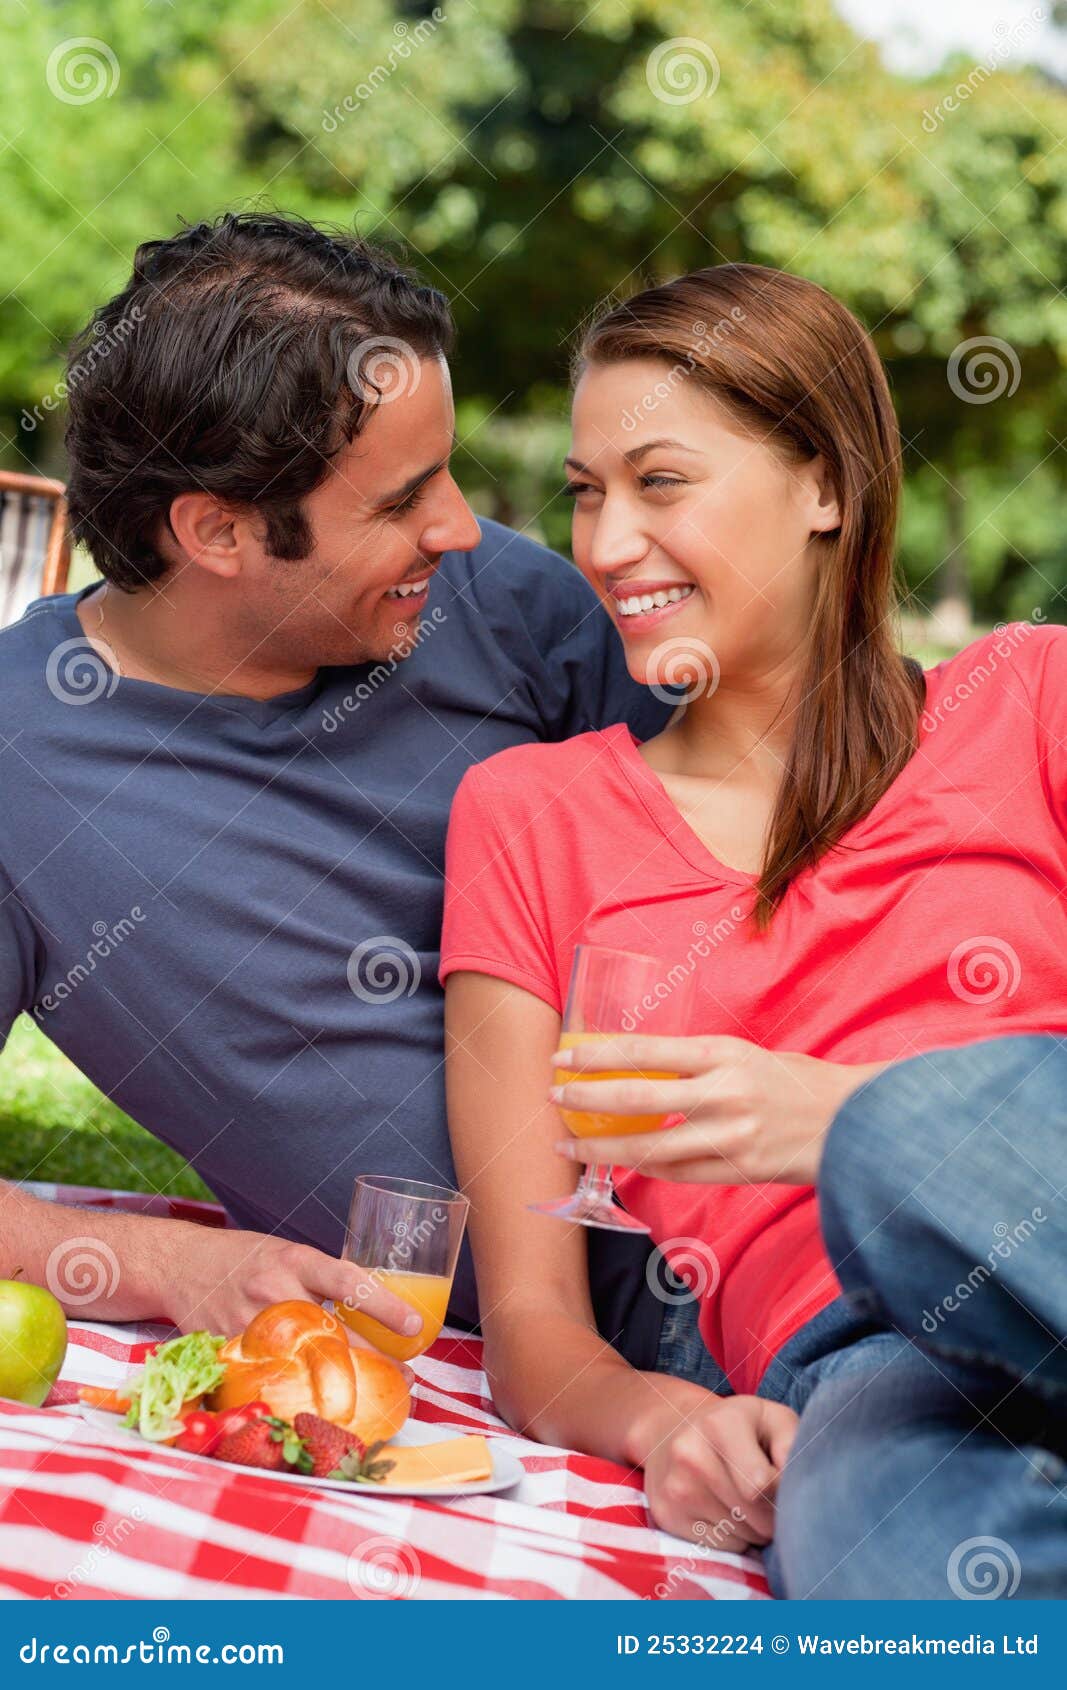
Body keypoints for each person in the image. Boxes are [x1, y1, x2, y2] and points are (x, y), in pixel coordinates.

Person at [440, 261, 1067, 1597]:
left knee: (899, 1141)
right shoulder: (528, 815)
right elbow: (536, 1321)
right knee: (889, 1577)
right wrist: (666, 1419)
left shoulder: (1031, 699)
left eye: (659, 482)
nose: (604, 545)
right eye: (583, 492)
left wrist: (836, 1122)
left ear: (827, 487)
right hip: (869, 1363)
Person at [0, 212, 671, 1356]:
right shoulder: (23, 766)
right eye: (401, 500)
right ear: (217, 529)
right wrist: (176, 1264)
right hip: (569, 1344)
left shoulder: (500, 603)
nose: (459, 526)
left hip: (772, 1215)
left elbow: (766, 841)